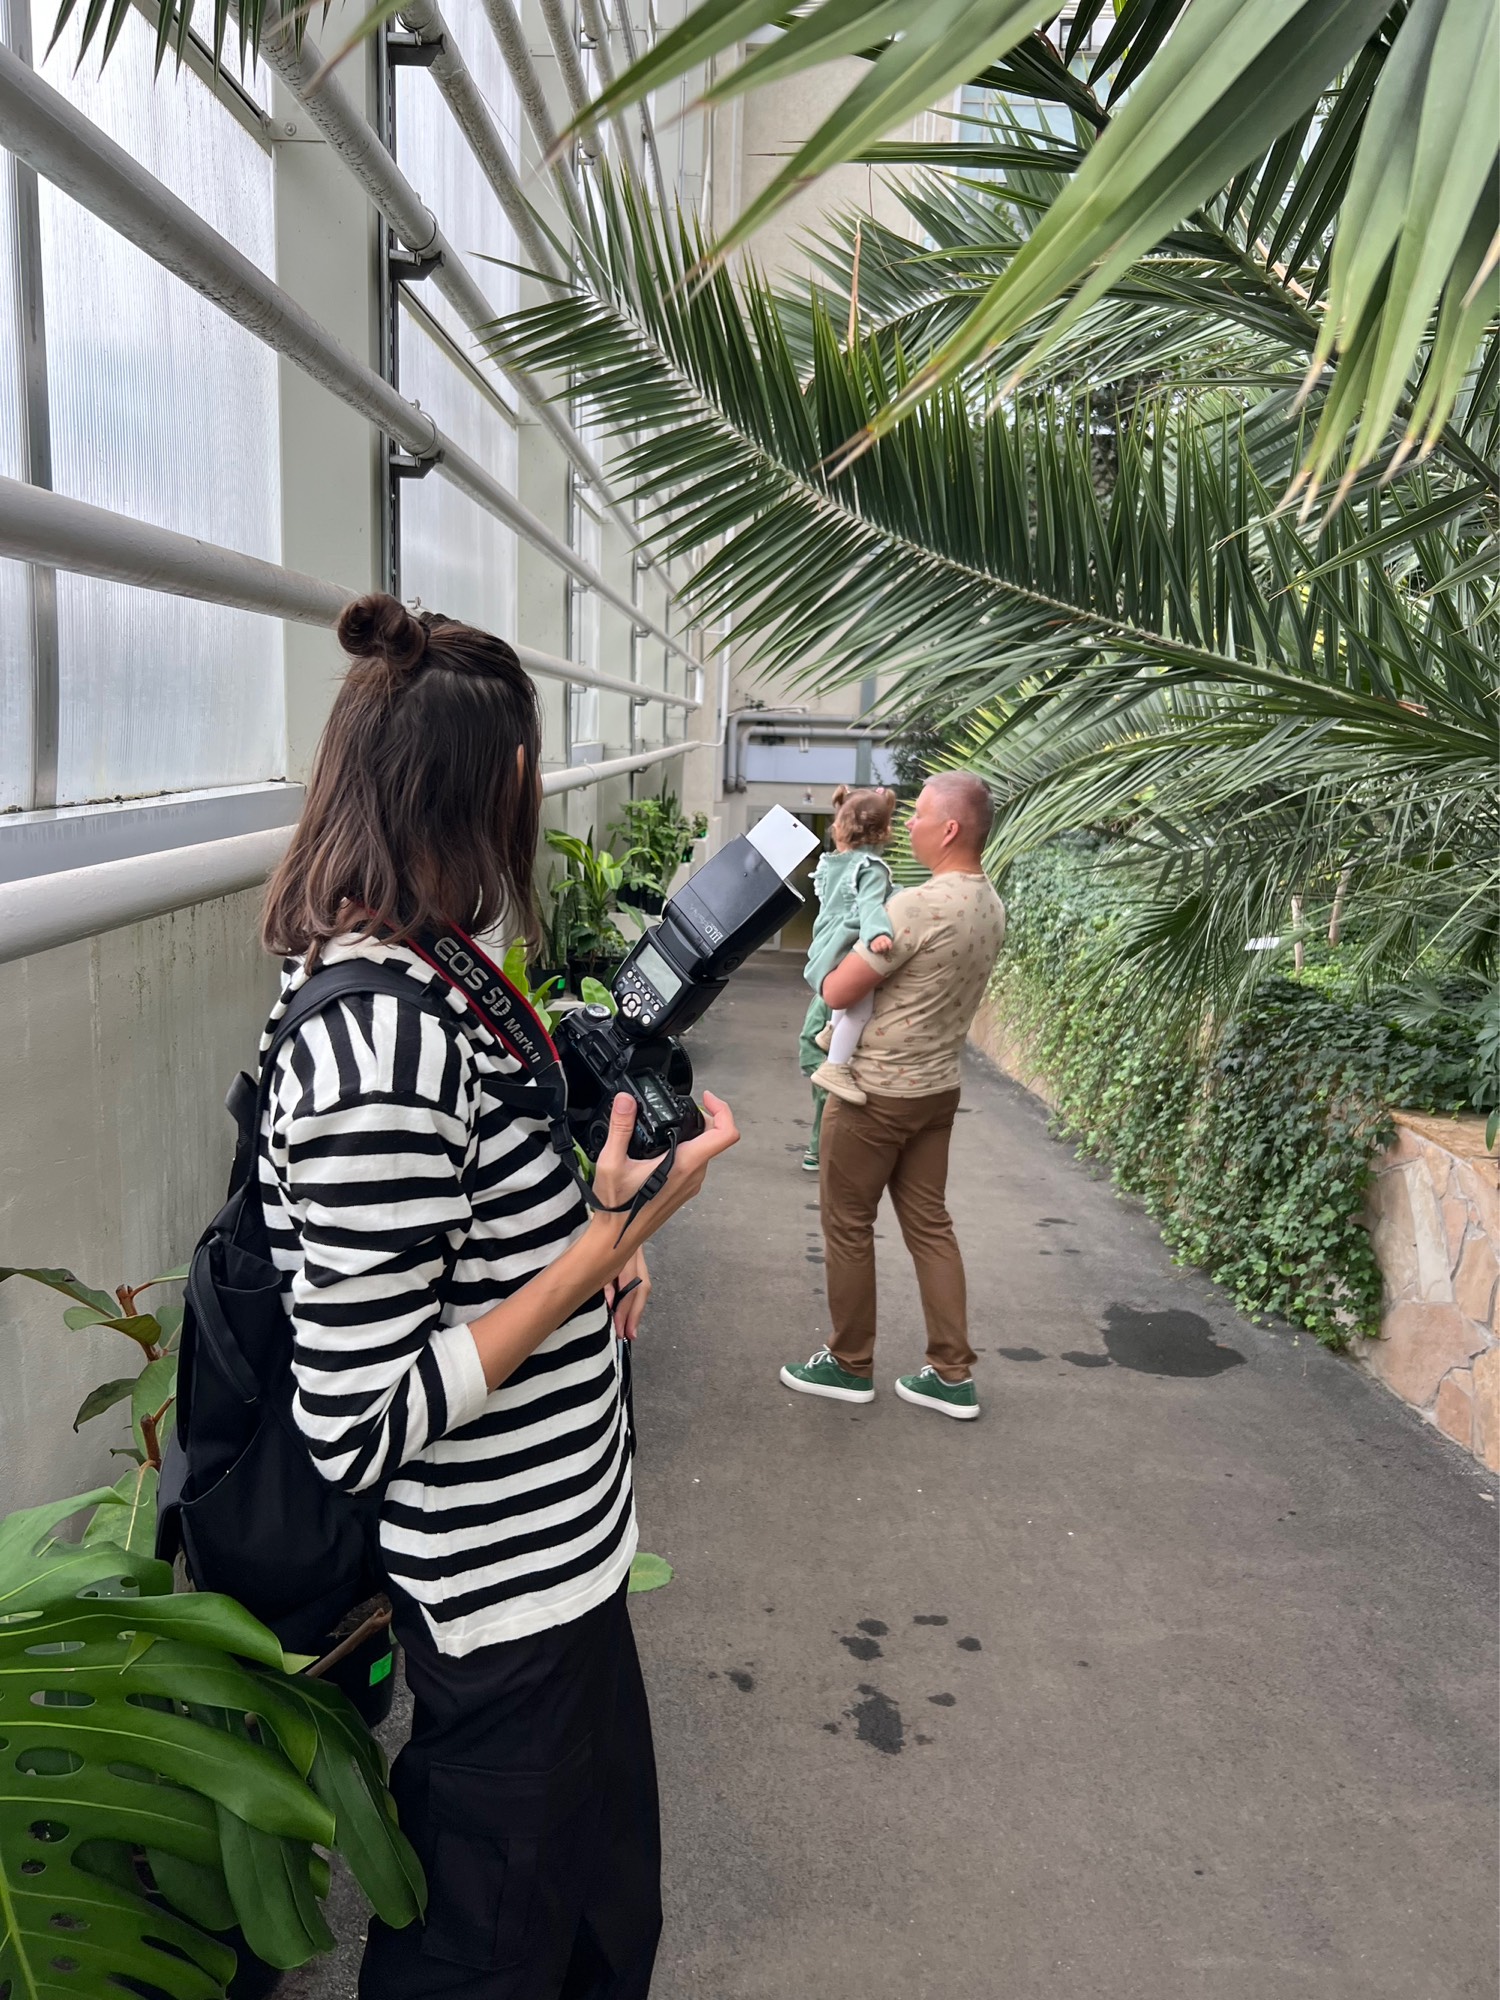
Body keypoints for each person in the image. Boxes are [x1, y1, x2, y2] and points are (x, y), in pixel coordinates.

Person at [258, 593, 739, 2000]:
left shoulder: (439, 971)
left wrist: (608, 1228)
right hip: (500, 1602)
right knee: (485, 1957)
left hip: (564, 1572)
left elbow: (468, 1240)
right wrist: (599, 1252)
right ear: (507, 783)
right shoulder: (381, 1045)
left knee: (595, 1932)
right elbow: (359, 1419)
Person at [780, 773, 1005, 1421]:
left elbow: (837, 991)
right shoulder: (990, 905)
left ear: (951, 829)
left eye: (922, 816)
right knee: (931, 1228)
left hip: (872, 1095)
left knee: (847, 1225)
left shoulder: (915, 907)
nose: (908, 825)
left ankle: (850, 1364)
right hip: (936, 1091)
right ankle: (951, 1373)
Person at [803, 785, 897, 1107]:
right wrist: (878, 935)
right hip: (848, 944)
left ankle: (830, 1029)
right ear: (883, 831)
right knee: (860, 1011)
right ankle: (836, 1066)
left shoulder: (833, 863)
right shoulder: (871, 869)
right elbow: (870, 907)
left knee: (843, 1000)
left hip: (825, 943)